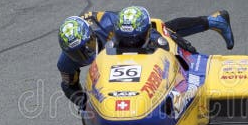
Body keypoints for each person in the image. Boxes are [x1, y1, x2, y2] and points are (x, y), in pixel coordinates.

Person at [57, 7, 233, 108]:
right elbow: (69, 86)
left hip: (129, 28)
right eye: (76, 53)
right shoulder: (66, 62)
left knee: (163, 33)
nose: (85, 54)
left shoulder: (110, 26)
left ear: (92, 35)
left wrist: (164, 43)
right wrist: (85, 105)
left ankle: (213, 23)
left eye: (87, 46)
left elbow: (150, 33)